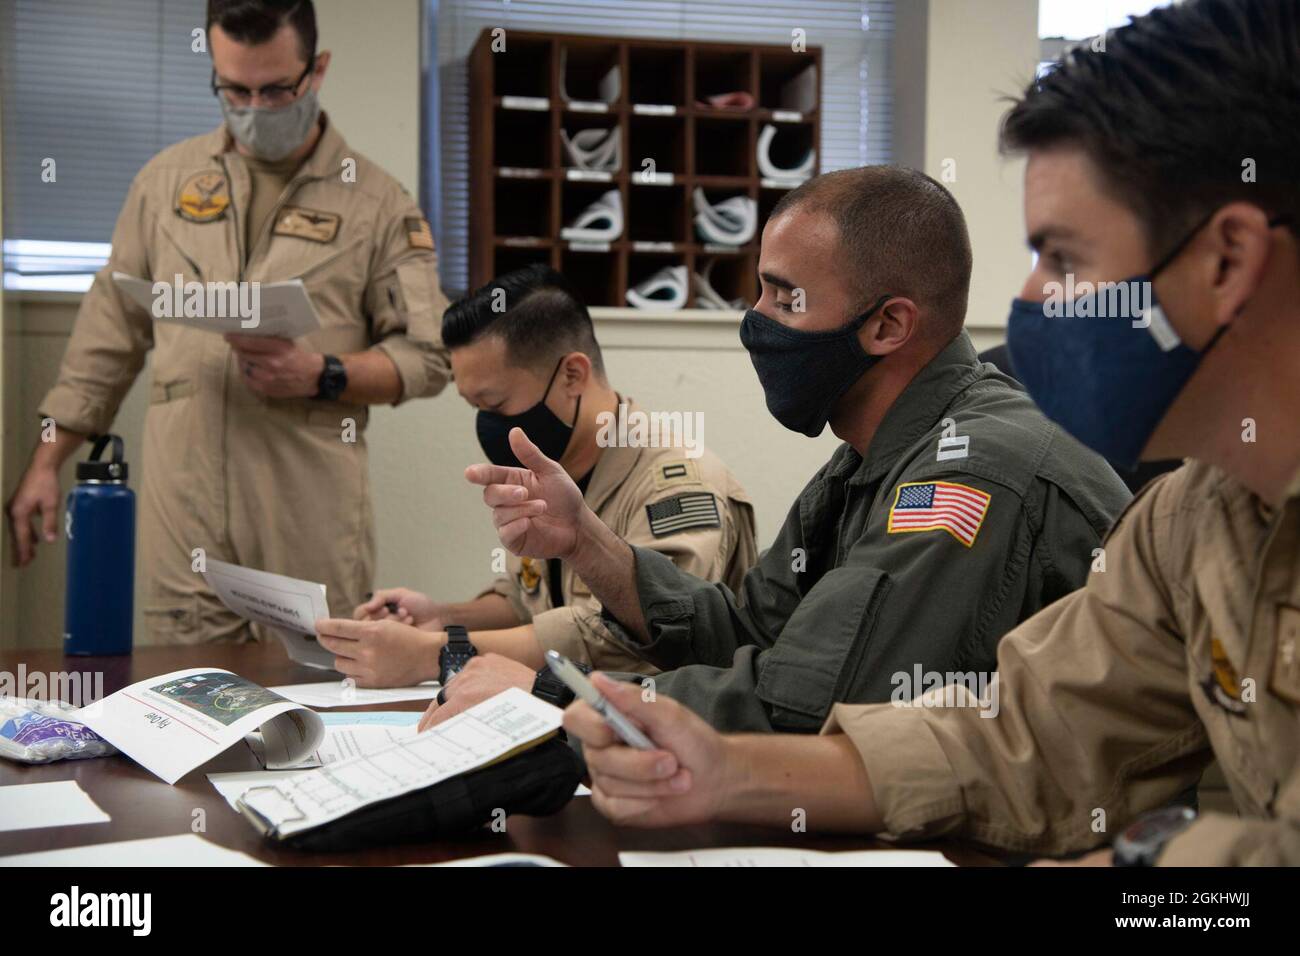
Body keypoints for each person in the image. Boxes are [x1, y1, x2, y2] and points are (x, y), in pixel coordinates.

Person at [563, 0, 1300, 866]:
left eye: (1065, 260)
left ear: (1228, 261)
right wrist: (727, 771)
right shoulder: (1189, 520)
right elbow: (1025, 732)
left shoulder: (979, 466)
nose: (1027, 305)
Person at [463, 165, 1132, 734]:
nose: (756, 321)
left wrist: (553, 700)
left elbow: (810, 705)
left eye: (786, 297)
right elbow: (750, 630)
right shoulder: (869, 457)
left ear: (889, 325)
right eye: (760, 290)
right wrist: (586, 541)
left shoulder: (969, 474)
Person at [4, 0, 451, 641]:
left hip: (306, 523)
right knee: (180, 715)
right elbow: (107, 339)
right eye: (234, 88)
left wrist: (323, 373)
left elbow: (429, 356)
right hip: (183, 525)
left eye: (275, 89)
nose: (254, 107)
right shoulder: (163, 184)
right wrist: (46, 461)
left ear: (317, 69)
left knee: (311, 712)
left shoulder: (378, 201)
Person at [312, 265, 757, 692]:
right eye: (475, 408)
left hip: (662, 741)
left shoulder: (677, 484)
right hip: (564, 719)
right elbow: (526, 603)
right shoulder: (552, 463)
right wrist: (441, 616)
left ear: (572, 375)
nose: (488, 424)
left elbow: (636, 637)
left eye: (495, 403)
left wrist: (437, 653)